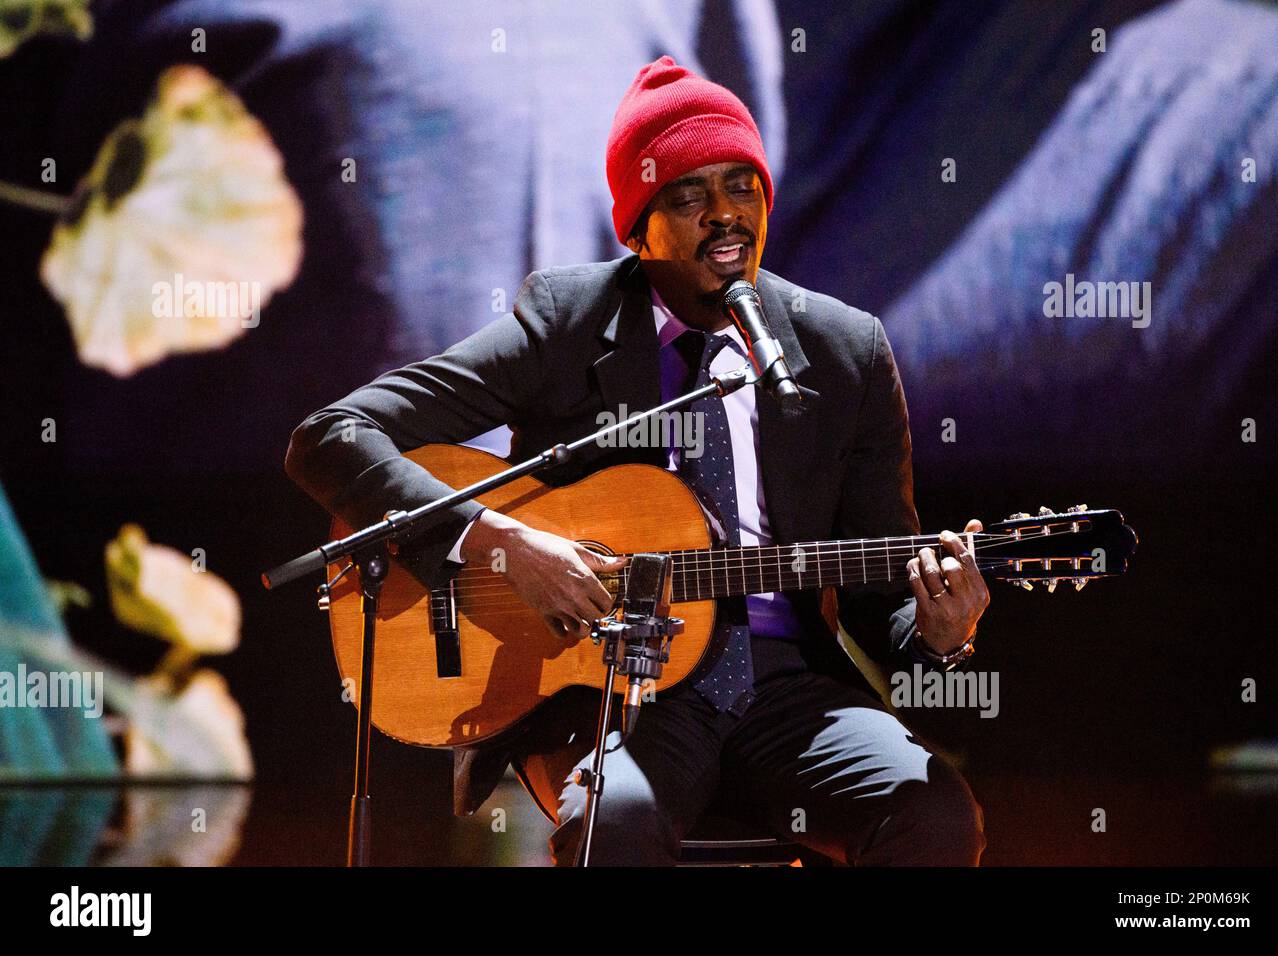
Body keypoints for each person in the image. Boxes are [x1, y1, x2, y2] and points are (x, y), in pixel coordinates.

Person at [286, 56, 988, 865]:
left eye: (742, 186)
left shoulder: (841, 349)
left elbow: (880, 603)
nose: (725, 216)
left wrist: (940, 632)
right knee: (612, 825)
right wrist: (500, 542)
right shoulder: (569, 319)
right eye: (689, 196)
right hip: (614, 690)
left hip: (786, 688)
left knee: (935, 816)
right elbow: (332, 436)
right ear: (636, 226)